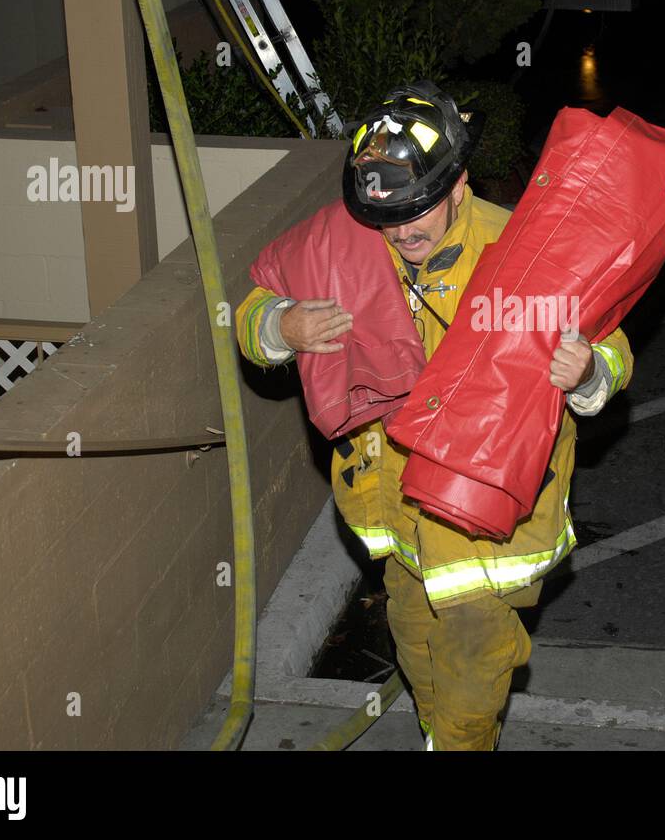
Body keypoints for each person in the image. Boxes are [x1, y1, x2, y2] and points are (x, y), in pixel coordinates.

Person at [235, 81, 633, 750]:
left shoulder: (521, 251)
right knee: (415, 638)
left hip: (489, 516)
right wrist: (282, 326)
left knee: (477, 653)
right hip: (390, 505)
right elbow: (249, 316)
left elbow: (612, 349)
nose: (402, 233)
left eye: (418, 211)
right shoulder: (345, 244)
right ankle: (436, 730)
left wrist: (588, 371)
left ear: (458, 186)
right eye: (388, 218)